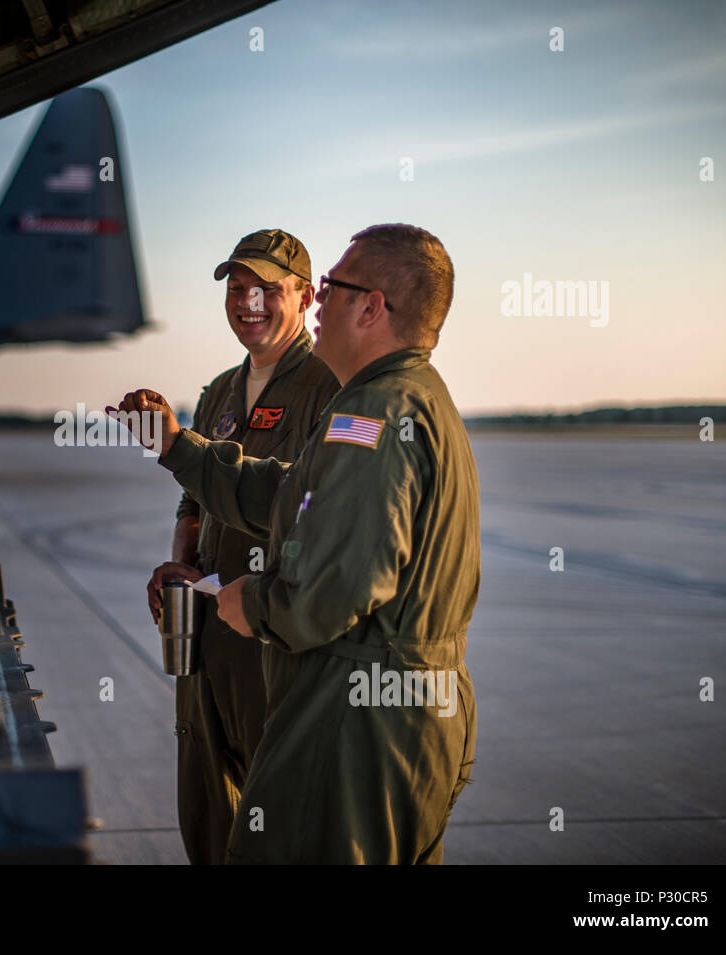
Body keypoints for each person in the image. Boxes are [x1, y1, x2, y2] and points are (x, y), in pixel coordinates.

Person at [113, 224, 478, 864]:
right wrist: (178, 449)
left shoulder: (372, 414)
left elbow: (332, 590)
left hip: (363, 722)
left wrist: (250, 603)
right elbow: (292, 498)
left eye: (333, 287)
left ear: (371, 308)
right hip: (389, 714)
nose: (321, 301)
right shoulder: (406, 396)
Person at [145, 229, 338, 864]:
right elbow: (193, 501)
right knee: (205, 808)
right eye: (236, 288)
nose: (247, 302)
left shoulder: (329, 389)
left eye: (266, 289)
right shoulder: (220, 392)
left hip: (274, 640)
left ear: (306, 297)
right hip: (209, 634)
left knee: (280, 818)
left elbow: (317, 513)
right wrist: (182, 565)